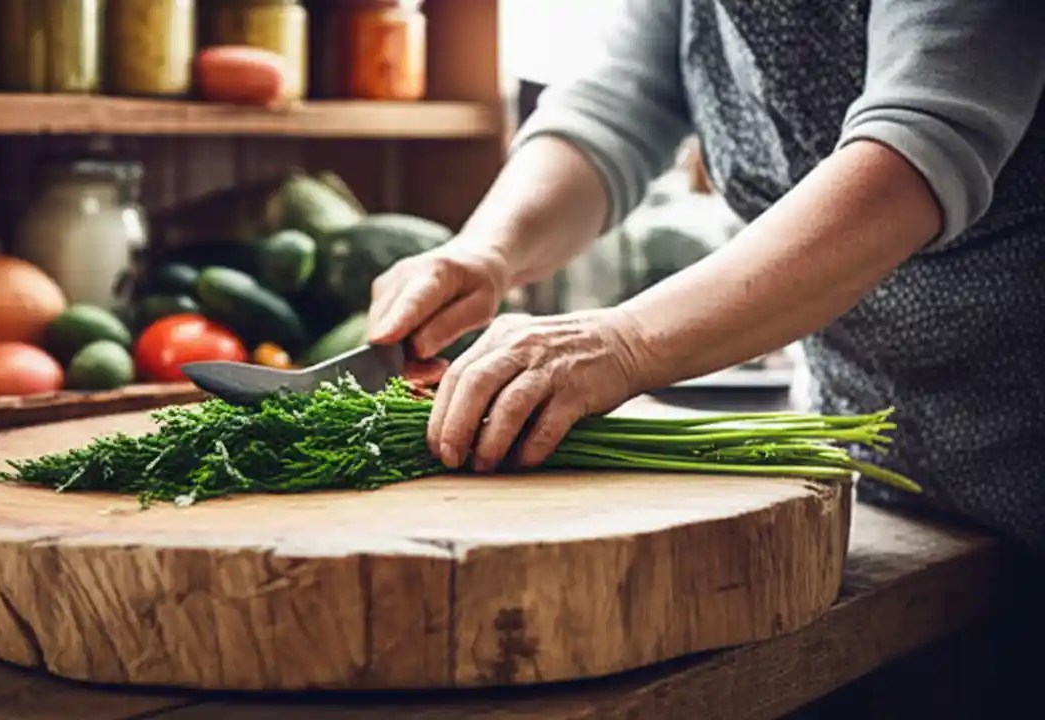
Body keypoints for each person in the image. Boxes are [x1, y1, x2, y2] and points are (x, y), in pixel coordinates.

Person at [366, 1, 1045, 554]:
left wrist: (624, 343)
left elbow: (916, 152)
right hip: (869, 470)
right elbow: (610, 110)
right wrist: (486, 250)